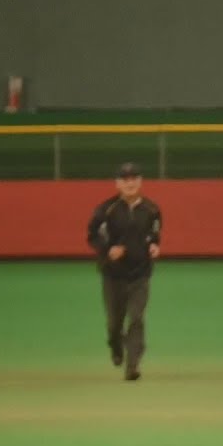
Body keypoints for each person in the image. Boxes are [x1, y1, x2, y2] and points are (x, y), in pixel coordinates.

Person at [85, 162, 162, 381]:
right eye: (125, 179)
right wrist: (108, 250)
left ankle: (133, 364)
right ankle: (115, 345)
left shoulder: (152, 210)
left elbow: (154, 234)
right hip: (113, 275)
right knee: (114, 323)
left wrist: (154, 245)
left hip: (140, 273)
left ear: (141, 181)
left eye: (134, 179)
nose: (130, 183)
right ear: (117, 183)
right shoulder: (105, 210)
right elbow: (92, 236)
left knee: (136, 318)